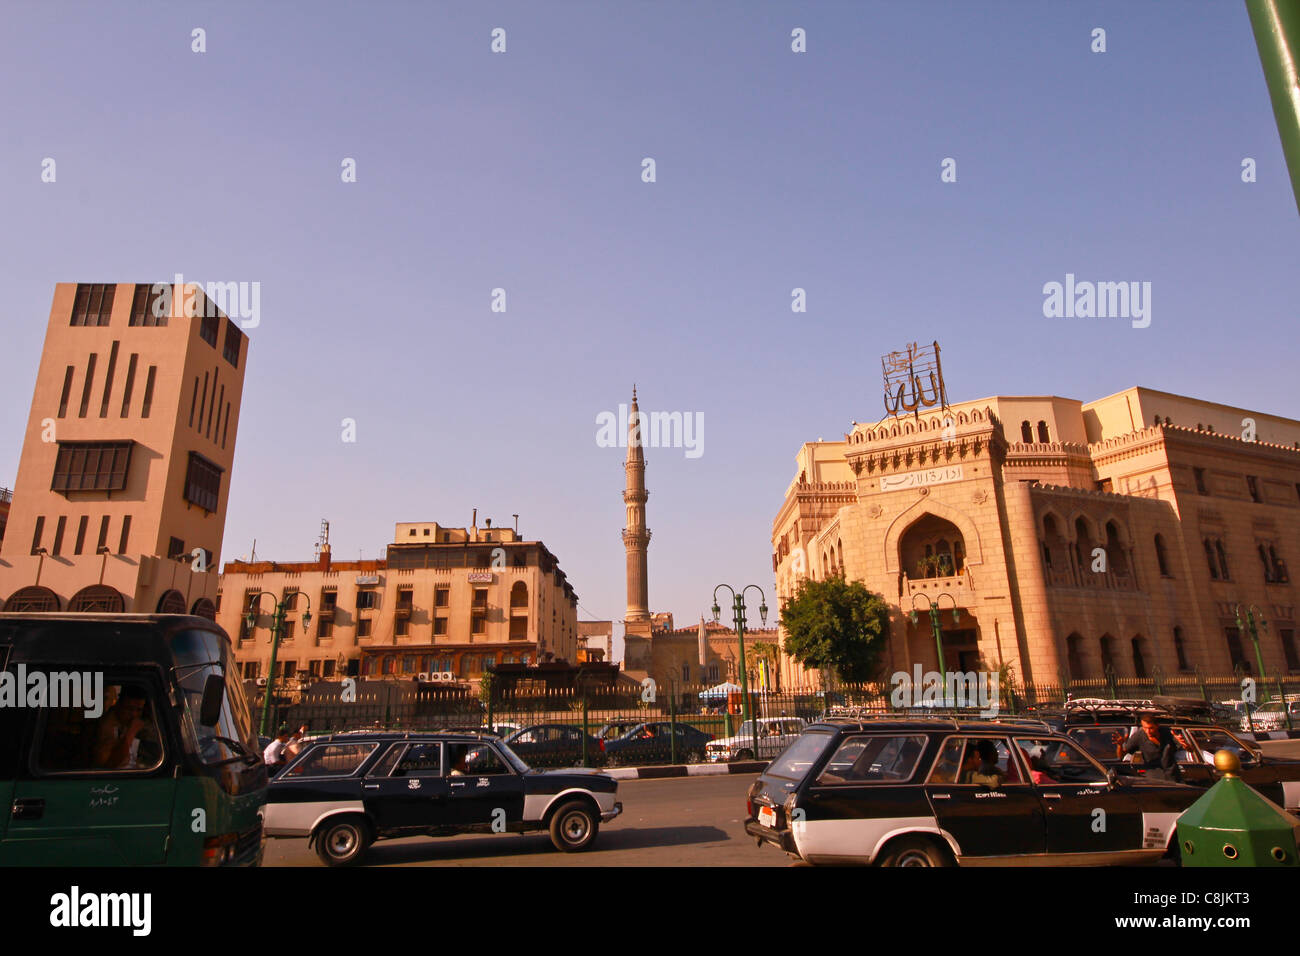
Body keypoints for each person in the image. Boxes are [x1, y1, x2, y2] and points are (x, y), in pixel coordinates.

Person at [93, 686, 155, 770]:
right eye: (129, 709)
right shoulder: (107, 725)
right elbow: (109, 765)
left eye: (139, 710)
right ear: (118, 705)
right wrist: (131, 733)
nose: (134, 714)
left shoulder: (137, 722)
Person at [1112, 714, 1183, 782]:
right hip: (1154, 778)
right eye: (1145, 728)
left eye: (1151, 728)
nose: (1148, 731)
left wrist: (1185, 745)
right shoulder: (1139, 736)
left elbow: (1189, 749)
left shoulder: (1167, 732)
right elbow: (1121, 755)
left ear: (1157, 726)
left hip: (1173, 776)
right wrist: (1120, 745)